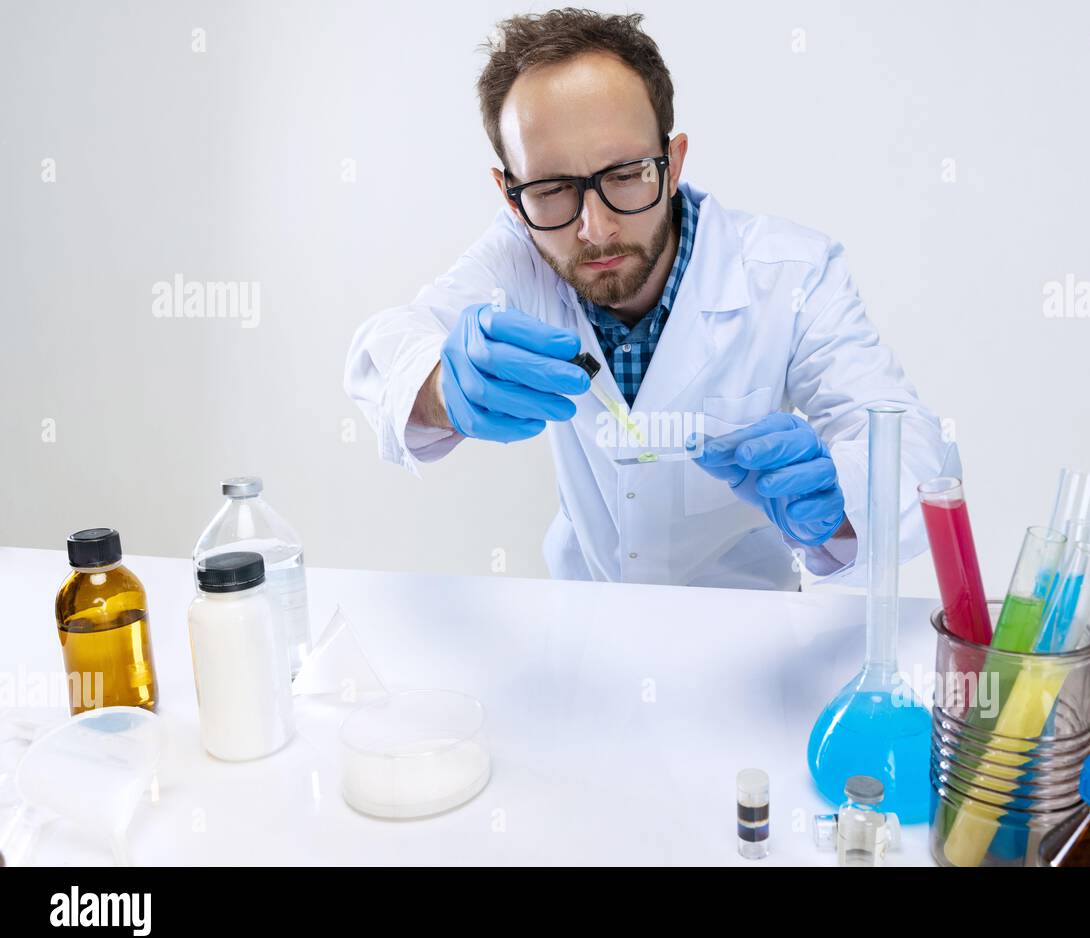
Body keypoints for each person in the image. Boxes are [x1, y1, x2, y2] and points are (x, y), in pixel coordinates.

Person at [344, 8, 960, 590]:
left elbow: (908, 442)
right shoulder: (518, 255)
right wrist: (440, 390)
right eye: (554, 188)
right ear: (510, 195)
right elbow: (390, 346)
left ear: (673, 162)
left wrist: (839, 495)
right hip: (585, 623)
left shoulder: (792, 272)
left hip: (751, 631)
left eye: (624, 175)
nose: (595, 228)